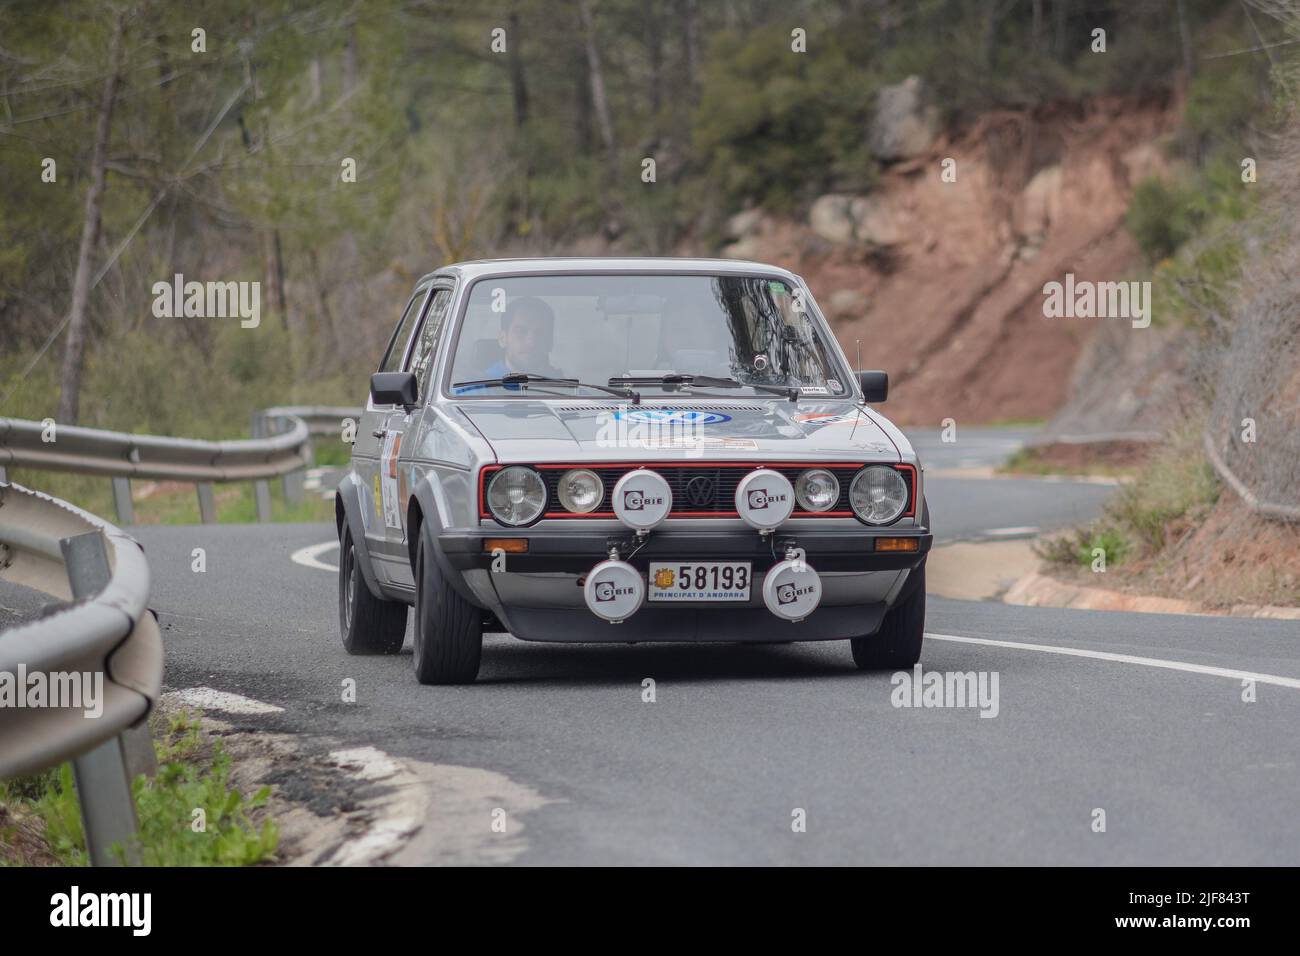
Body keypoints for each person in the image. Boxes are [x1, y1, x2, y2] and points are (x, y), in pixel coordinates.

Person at [484, 296, 563, 379]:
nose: (531, 342)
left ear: (550, 342)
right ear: (502, 338)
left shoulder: (568, 388)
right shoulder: (479, 388)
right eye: (521, 331)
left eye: (540, 333)